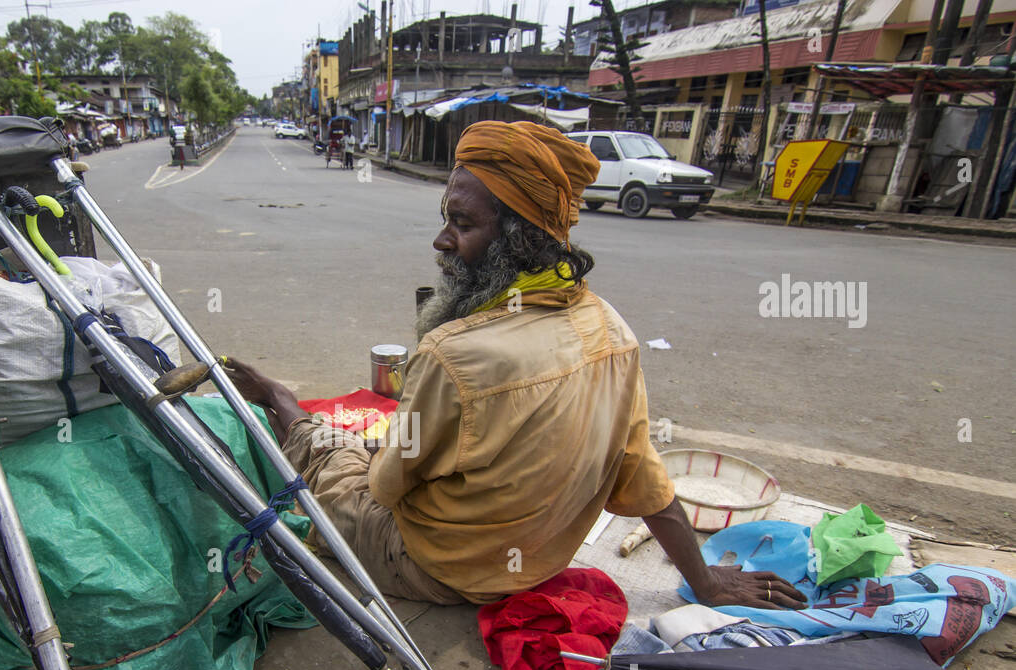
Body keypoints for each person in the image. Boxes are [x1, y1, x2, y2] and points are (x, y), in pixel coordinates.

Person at [225, 120, 804, 612]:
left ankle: (273, 397)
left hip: (439, 570)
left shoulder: (454, 354)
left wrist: (380, 447)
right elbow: (640, 469)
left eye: (463, 224)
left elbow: (388, 486)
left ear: (521, 241)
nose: (441, 241)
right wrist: (702, 580)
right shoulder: (613, 330)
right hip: (533, 564)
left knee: (334, 453)